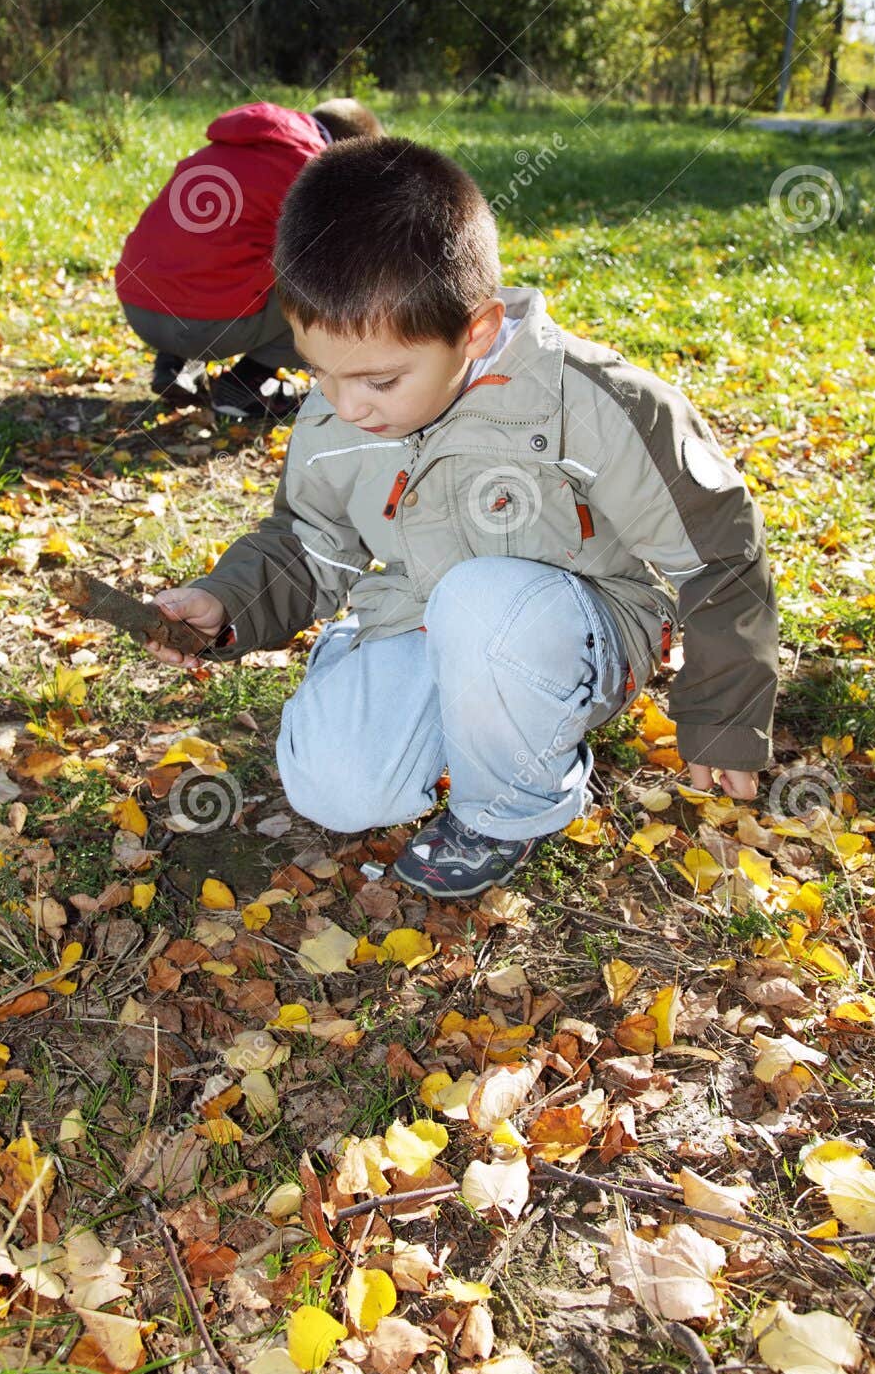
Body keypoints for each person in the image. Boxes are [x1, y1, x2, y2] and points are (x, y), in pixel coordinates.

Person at [143, 137, 779, 900]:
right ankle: (400, 685)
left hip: (576, 630)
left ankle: (505, 807)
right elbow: (311, 542)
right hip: (415, 614)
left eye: (378, 379)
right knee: (336, 791)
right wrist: (227, 601)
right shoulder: (339, 407)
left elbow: (716, 553)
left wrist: (722, 713)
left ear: (473, 332)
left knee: (481, 601)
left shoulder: (597, 403)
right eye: (318, 372)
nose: (347, 406)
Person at [115, 98, 384, 424]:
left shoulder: (225, 148)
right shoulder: (312, 170)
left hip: (138, 307)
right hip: (203, 327)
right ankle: (244, 387)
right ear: (348, 149)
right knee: (326, 286)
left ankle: (174, 365)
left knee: (204, 253)